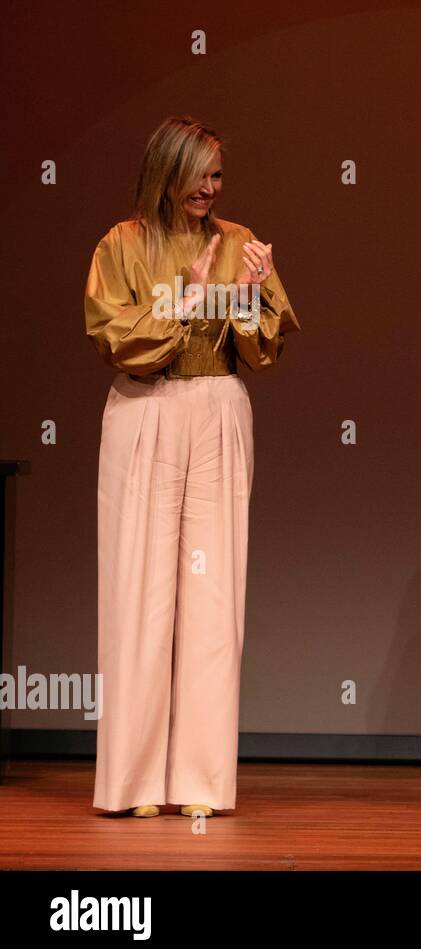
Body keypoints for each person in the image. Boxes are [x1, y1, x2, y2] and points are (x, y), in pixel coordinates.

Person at [84, 115, 300, 817]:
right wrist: (188, 293)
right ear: (166, 171)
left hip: (214, 409)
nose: (209, 187)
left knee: (213, 601)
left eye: (217, 175)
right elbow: (119, 338)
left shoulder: (237, 241)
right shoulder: (122, 245)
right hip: (146, 408)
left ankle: (200, 782)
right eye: (198, 173)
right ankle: (136, 782)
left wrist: (257, 290)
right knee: (139, 596)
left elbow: (262, 347)